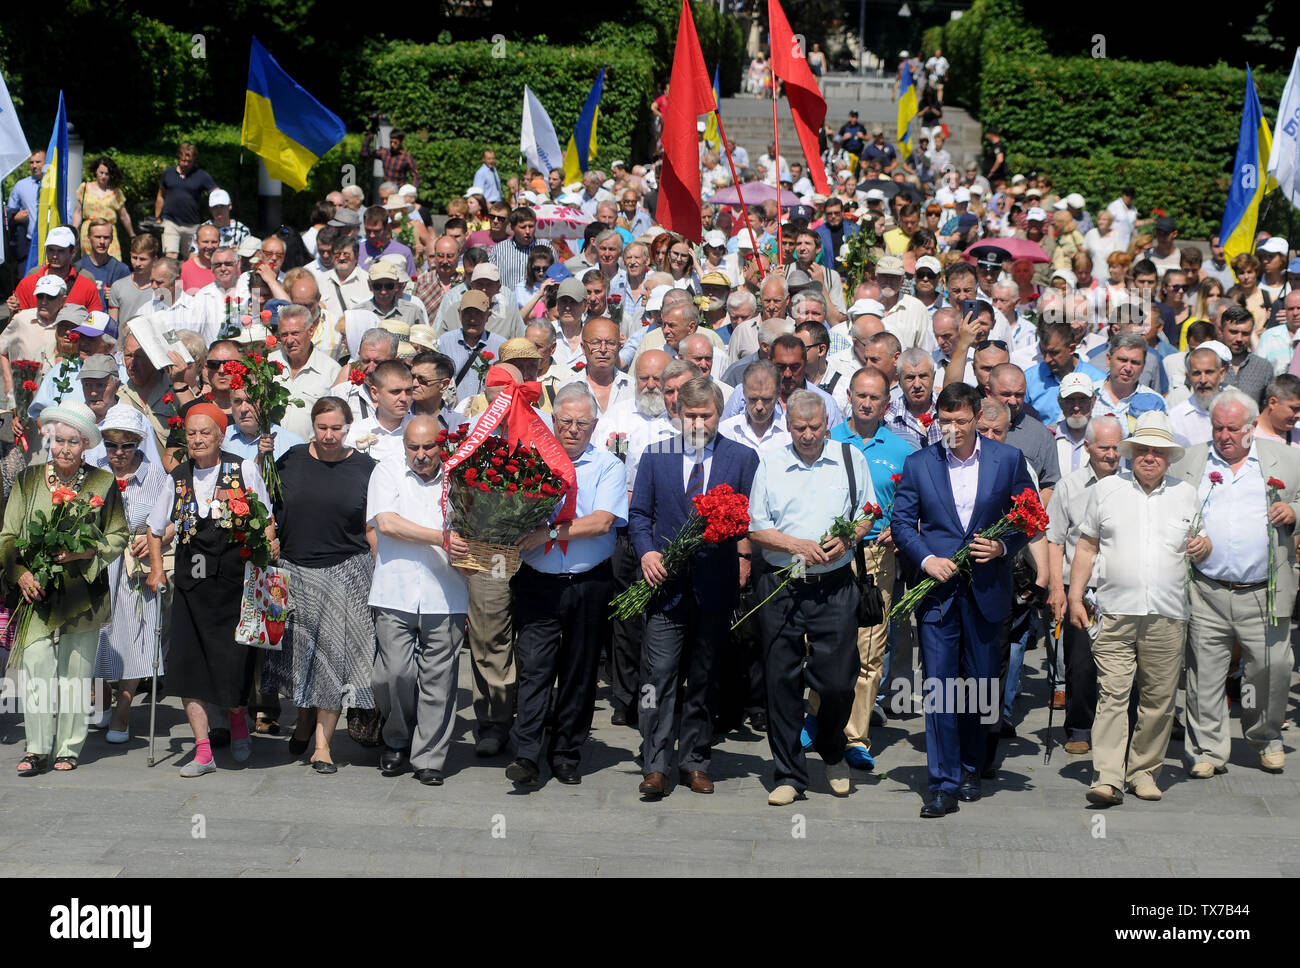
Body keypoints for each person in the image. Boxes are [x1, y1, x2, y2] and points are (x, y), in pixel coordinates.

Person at [891, 382, 1037, 818]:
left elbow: (1028, 517)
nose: (952, 428)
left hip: (988, 590)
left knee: (979, 685)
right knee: (938, 687)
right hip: (937, 592)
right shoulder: (919, 463)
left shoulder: (1007, 460)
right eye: (945, 420)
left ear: (977, 419)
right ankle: (942, 782)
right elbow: (902, 523)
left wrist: (1004, 547)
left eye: (961, 420)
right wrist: (927, 558)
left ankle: (973, 764)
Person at [1069, 412, 1207, 805]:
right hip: (1114, 610)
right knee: (1113, 694)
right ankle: (1108, 776)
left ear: (1168, 457)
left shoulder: (1187, 493)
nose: (1149, 457)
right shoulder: (1107, 490)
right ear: (1131, 453)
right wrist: (1076, 597)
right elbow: (1086, 546)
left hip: (1167, 613)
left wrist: (1204, 546)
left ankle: (1144, 772)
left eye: (1157, 451)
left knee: (1159, 699)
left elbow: (1202, 542)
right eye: (1142, 450)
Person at [629, 378, 757, 796]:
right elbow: (639, 514)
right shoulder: (656, 457)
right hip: (665, 586)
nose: (699, 422)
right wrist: (647, 552)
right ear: (676, 413)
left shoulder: (741, 458)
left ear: (720, 414)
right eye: (691, 415)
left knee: (704, 676)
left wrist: (743, 556)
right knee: (658, 676)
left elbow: (749, 518)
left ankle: (696, 759)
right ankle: (656, 762)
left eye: (707, 415)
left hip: (714, 586)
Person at [748, 390, 876, 805]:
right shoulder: (770, 462)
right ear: (787, 426)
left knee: (839, 680)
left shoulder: (849, 458)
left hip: (835, 583)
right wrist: (794, 545)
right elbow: (756, 528)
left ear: (827, 423)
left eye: (815, 427)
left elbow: (867, 514)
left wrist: (847, 537)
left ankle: (833, 747)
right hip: (782, 583)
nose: (807, 435)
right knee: (780, 680)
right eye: (799, 428)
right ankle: (788, 773)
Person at [1168, 389, 1300, 777]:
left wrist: (1294, 510)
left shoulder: (1286, 461)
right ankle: (1206, 749)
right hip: (1207, 588)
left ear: (1251, 427)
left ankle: (1265, 736)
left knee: (1271, 669)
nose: (1223, 435)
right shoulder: (1191, 461)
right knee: (1204, 674)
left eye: (1232, 428)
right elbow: (1170, 510)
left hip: (1265, 590)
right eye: (1217, 427)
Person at [145, 403, 277, 776]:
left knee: (233, 669)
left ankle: (238, 722)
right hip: (191, 590)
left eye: (206, 433)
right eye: (191, 433)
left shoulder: (243, 468)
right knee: (189, 669)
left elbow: (266, 521)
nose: (198, 439)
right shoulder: (178, 477)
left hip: (233, 589)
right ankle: (202, 750)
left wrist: (264, 560)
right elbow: (157, 529)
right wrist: (157, 569)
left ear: (221, 436)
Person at [505, 384, 627, 787]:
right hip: (537, 583)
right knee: (535, 668)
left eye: (582, 423)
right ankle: (526, 753)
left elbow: (602, 521)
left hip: (588, 583)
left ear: (595, 425)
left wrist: (550, 533)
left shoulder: (608, 465)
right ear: (553, 420)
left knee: (580, 670)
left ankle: (567, 753)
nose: (573, 429)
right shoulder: (531, 460)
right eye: (566, 421)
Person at [4, 403, 129, 775]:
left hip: (82, 589)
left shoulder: (101, 483)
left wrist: (91, 550)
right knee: (37, 662)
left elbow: (118, 533)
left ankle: (70, 747)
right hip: (35, 591)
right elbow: (8, 533)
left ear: (85, 445)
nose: (64, 449)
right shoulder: (28, 480)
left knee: (77, 668)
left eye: (73, 442)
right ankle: (38, 747)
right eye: (58, 440)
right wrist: (22, 573)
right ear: (49, 440)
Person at [268, 397, 379, 774]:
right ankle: (302, 720)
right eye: (322, 427)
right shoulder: (289, 461)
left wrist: (381, 576)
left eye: (337, 428)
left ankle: (322, 745)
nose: (329, 435)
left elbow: (371, 526)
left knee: (332, 659)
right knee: (300, 659)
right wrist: (269, 537)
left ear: (349, 428)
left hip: (346, 571)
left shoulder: (366, 467)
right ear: (312, 426)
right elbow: (267, 506)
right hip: (293, 570)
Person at [367, 415, 470, 785]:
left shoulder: (462, 476)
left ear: (442, 445)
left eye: (429, 447)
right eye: (414, 447)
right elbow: (388, 523)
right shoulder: (387, 471)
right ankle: (397, 736)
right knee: (394, 673)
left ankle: (429, 756)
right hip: (394, 588)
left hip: (447, 591)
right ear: (404, 445)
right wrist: (441, 537)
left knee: (439, 680)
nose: (421, 455)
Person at [826, 367, 912, 769]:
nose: (865, 402)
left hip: (877, 555)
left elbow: (914, 505)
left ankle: (855, 737)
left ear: (886, 403)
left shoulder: (902, 450)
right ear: (848, 395)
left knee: (870, 647)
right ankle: (820, 720)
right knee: (821, 644)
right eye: (860, 395)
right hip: (831, 553)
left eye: (874, 397)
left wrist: (900, 528)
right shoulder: (827, 440)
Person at [91, 405, 173, 744]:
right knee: (99, 640)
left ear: (139, 442)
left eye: (127, 445)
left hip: (136, 569)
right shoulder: (93, 471)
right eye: (112, 445)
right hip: (98, 566)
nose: (119, 453)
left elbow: (173, 522)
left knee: (136, 639)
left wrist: (153, 538)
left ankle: (123, 711)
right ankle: (103, 703)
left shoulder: (156, 476)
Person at [1044, 415, 1122, 756]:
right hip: (1081, 590)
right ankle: (1079, 727)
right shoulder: (1070, 486)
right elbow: (1055, 539)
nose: (1111, 454)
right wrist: (1057, 589)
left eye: (1117, 447)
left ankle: (1121, 727)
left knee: (1122, 664)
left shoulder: (1131, 484)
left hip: (1120, 588)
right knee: (1081, 663)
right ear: (1087, 447)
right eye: (1104, 447)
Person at [153, 143, 218, 259]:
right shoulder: (169, 173)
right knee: (170, 255)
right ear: (178, 157)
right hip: (170, 221)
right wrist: (158, 217)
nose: (185, 164)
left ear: (194, 160)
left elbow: (216, 193)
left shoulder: (201, 176)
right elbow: (160, 196)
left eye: (189, 161)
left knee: (192, 258)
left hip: (192, 223)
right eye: (183, 160)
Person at [72, 156, 134, 260]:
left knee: (113, 261)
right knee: (90, 263)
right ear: (95, 171)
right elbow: (78, 212)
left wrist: (132, 235)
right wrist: (74, 231)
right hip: (89, 232)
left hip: (108, 233)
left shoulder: (116, 192)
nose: (103, 176)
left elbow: (124, 216)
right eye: (101, 172)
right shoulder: (85, 188)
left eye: (107, 174)